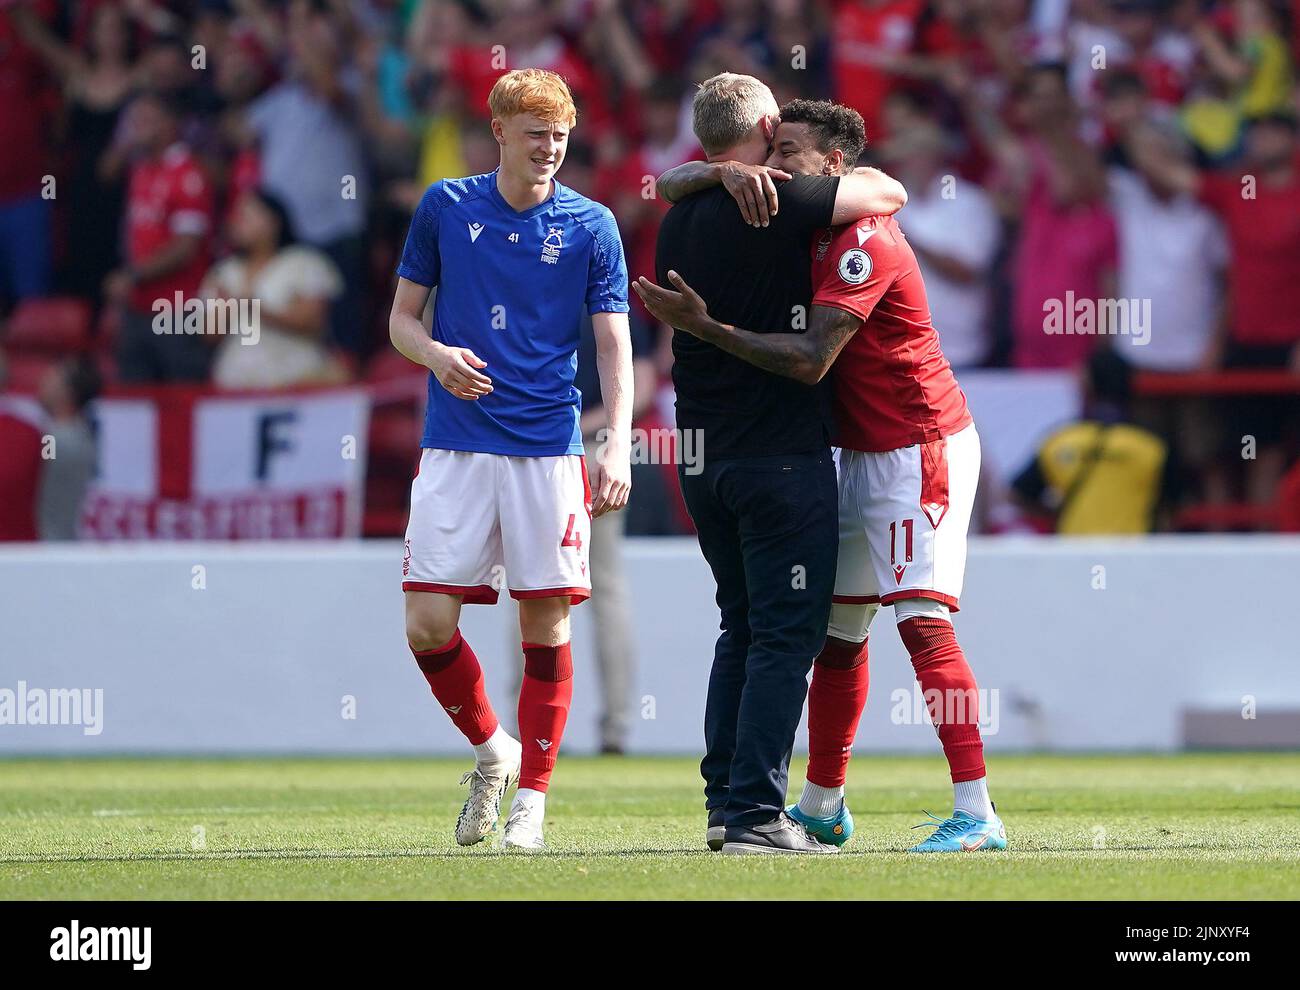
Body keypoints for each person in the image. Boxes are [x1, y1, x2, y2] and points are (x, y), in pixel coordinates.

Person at [639, 98, 1006, 854]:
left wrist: (705, 328)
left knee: (923, 626)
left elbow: (811, 361)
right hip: (857, 452)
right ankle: (820, 804)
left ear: (835, 165)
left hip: (918, 445)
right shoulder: (793, 221)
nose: (775, 166)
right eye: (769, 151)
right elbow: (675, 181)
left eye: (791, 152)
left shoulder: (860, 237)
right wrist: (713, 169)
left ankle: (977, 812)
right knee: (837, 635)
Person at [649, 74, 907, 855]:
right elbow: (885, 190)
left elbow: (666, 182)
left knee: (741, 626)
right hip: (779, 460)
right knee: (785, 640)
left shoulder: (678, 215)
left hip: (704, 459)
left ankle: (726, 806)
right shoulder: (785, 197)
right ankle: (759, 815)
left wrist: (705, 172)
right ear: (765, 125)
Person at [388, 69, 633, 852]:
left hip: (546, 449)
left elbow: (612, 344)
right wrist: (434, 355)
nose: (550, 148)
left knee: (547, 626)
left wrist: (618, 439)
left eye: (560, 135)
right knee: (428, 625)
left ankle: (531, 801)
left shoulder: (592, 225)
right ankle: (494, 749)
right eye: (535, 133)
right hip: (456, 443)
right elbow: (399, 319)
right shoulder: (446, 208)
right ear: (498, 131)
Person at [107, 91, 216, 383]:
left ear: (170, 125)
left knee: (181, 397)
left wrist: (132, 275)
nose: (136, 128)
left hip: (177, 308)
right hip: (137, 307)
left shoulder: (189, 174)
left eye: (146, 120)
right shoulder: (140, 169)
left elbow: (186, 248)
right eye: (133, 121)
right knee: (135, 398)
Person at [1012, 349, 1180, 535]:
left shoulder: (1060, 442)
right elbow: (1174, 505)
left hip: (1073, 555)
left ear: (1087, 386)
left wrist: (1055, 515)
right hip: (1134, 556)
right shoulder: (1151, 447)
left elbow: (1016, 494)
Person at [201, 190, 346, 390]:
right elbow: (209, 335)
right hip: (234, 383)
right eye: (237, 217)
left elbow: (312, 322)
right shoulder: (224, 271)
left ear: (274, 221)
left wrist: (251, 307)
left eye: (247, 216)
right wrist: (226, 310)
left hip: (298, 381)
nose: (238, 223)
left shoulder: (303, 261)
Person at [36, 357, 101, 541]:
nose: (43, 382)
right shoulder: (80, 434)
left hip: (45, 541)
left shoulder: (52, 439)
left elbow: (39, 471)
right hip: (61, 538)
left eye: (51, 378)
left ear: (67, 392)